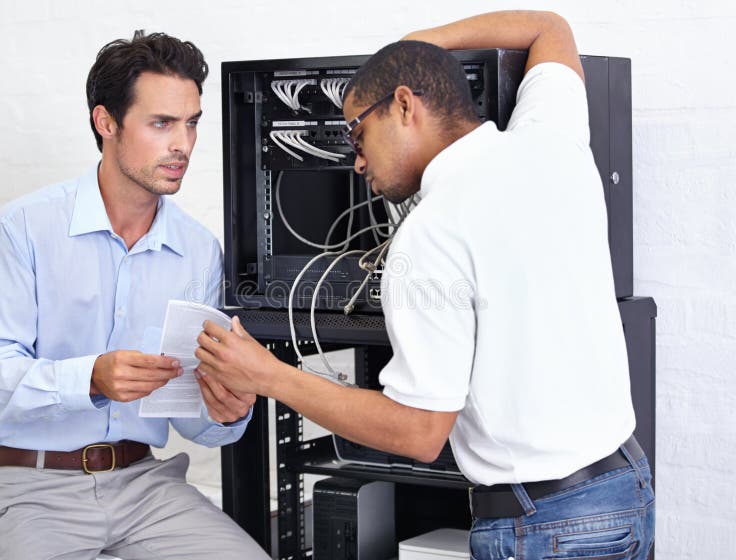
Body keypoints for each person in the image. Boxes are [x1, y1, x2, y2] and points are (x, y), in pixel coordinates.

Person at [195, 10, 655, 560]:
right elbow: (550, 28)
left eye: (358, 132)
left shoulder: (430, 233)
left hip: (545, 524)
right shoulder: (551, 140)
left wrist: (269, 375)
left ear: (405, 104)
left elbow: (419, 433)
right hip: (624, 488)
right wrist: (421, 44)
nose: (356, 158)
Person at [0, 30, 269, 559]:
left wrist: (227, 411)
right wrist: (91, 377)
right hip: (33, 491)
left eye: (191, 123)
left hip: (147, 488)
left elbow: (195, 422)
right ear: (106, 122)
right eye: (161, 124)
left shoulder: (198, 250)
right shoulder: (23, 228)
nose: (183, 144)